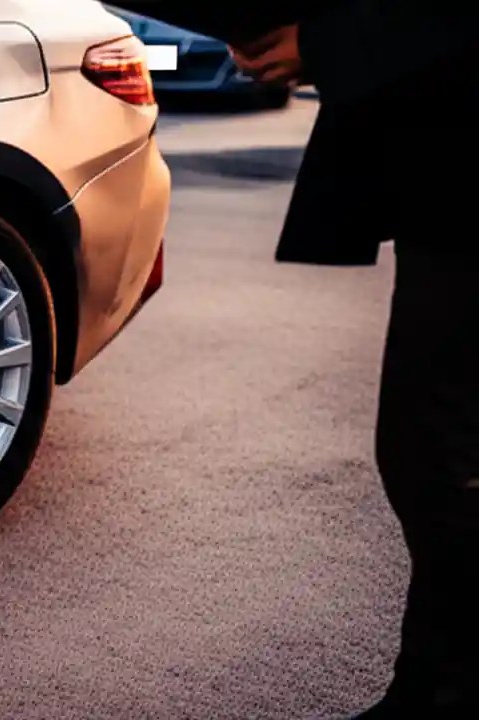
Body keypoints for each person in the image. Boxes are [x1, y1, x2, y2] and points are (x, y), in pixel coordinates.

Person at [226, 6, 479, 718]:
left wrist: (324, 39)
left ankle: (444, 690)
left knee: (434, 452)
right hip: (445, 172)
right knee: (433, 449)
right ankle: (436, 683)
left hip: (461, 181)